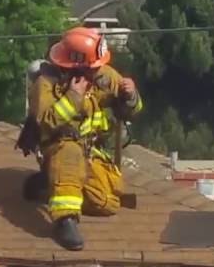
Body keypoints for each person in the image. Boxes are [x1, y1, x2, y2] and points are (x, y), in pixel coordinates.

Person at [22, 27, 142, 251]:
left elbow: (131, 111)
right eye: (94, 66)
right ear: (77, 65)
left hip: (91, 152)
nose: (99, 69)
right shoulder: (46, 84)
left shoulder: (104, 76)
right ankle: (64, 220)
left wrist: (130, 96)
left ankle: (48, 186)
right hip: (59, 147)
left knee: (107, 202)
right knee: (69, 154)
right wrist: (73, 98)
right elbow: (45, 122)